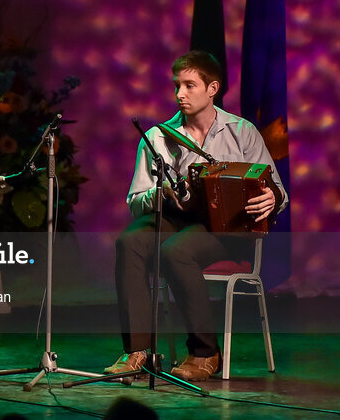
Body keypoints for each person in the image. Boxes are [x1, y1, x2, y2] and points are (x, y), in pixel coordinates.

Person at [107, 50, 287, 381]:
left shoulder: (242, 131)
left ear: (212, 88)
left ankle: (205, 352)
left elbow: (277, 189)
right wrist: (162, 192)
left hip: (229, 228)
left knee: (176, 251)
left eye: (189, 86)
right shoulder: (159, 136)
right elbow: (135, 202)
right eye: (177, 85)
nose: (180, 94)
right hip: (179, 218)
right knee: (129, 242)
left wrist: (271, 198)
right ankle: (139, 351)